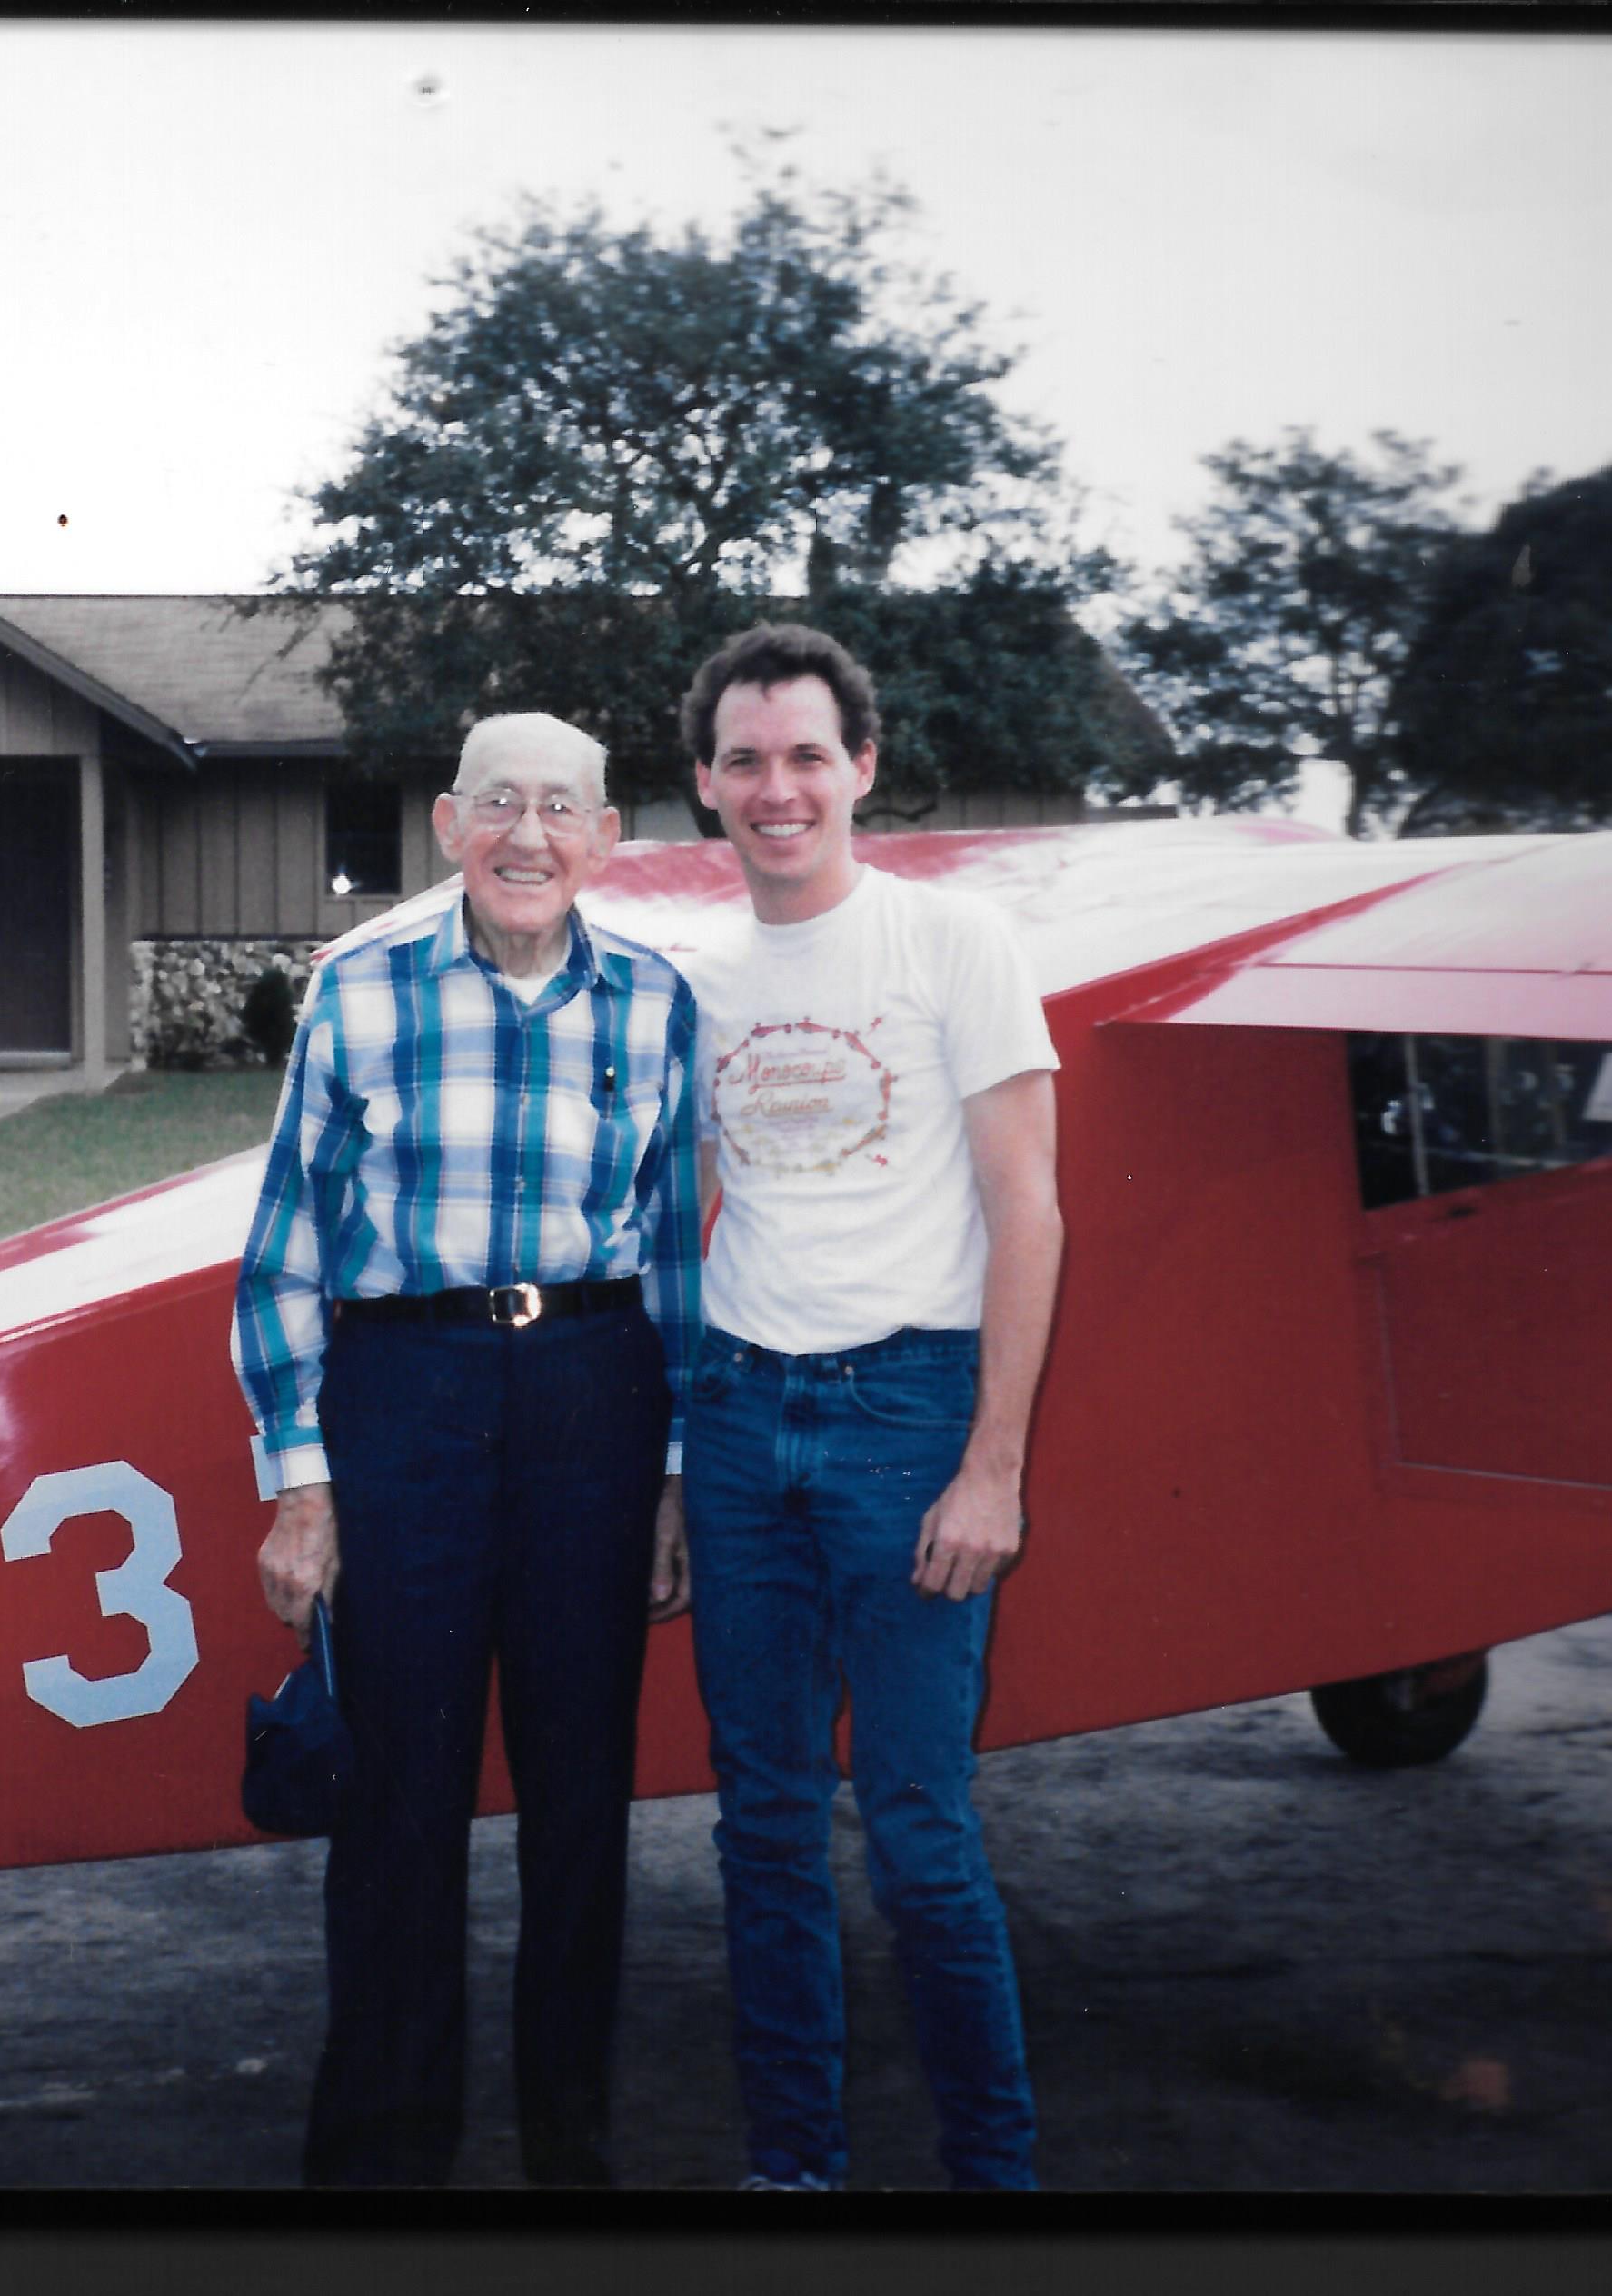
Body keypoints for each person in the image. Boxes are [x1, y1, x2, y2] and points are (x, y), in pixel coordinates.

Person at [231, 712, 702, 2188]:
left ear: (605, 838)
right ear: (446, 825)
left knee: (579, 1797)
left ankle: (570, 2150)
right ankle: (382, 2161)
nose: (527, 834)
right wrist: (302, 1482)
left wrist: (672, 1471)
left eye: (561, 807)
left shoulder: (653, 999)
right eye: (498, 802)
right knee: (400, 1799)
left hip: (591, 1396)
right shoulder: (359, 987)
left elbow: (677, 1255)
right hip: (407, 1391)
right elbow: (284, 1252)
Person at [672, 624, 1065, 2191]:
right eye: (746, 761)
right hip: (736, 1413)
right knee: (762, 1826)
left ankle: (992, 2173)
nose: (779, 789)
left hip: (906, 1419)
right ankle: (793, 2167)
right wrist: (673, 1461)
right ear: (706, 785)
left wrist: (992, 1467)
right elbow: (678, 1231)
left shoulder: (951, 940)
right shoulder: (696, 981)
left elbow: (1028, 1210)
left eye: (806, 756)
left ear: (862, 768)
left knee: (916, 1831)